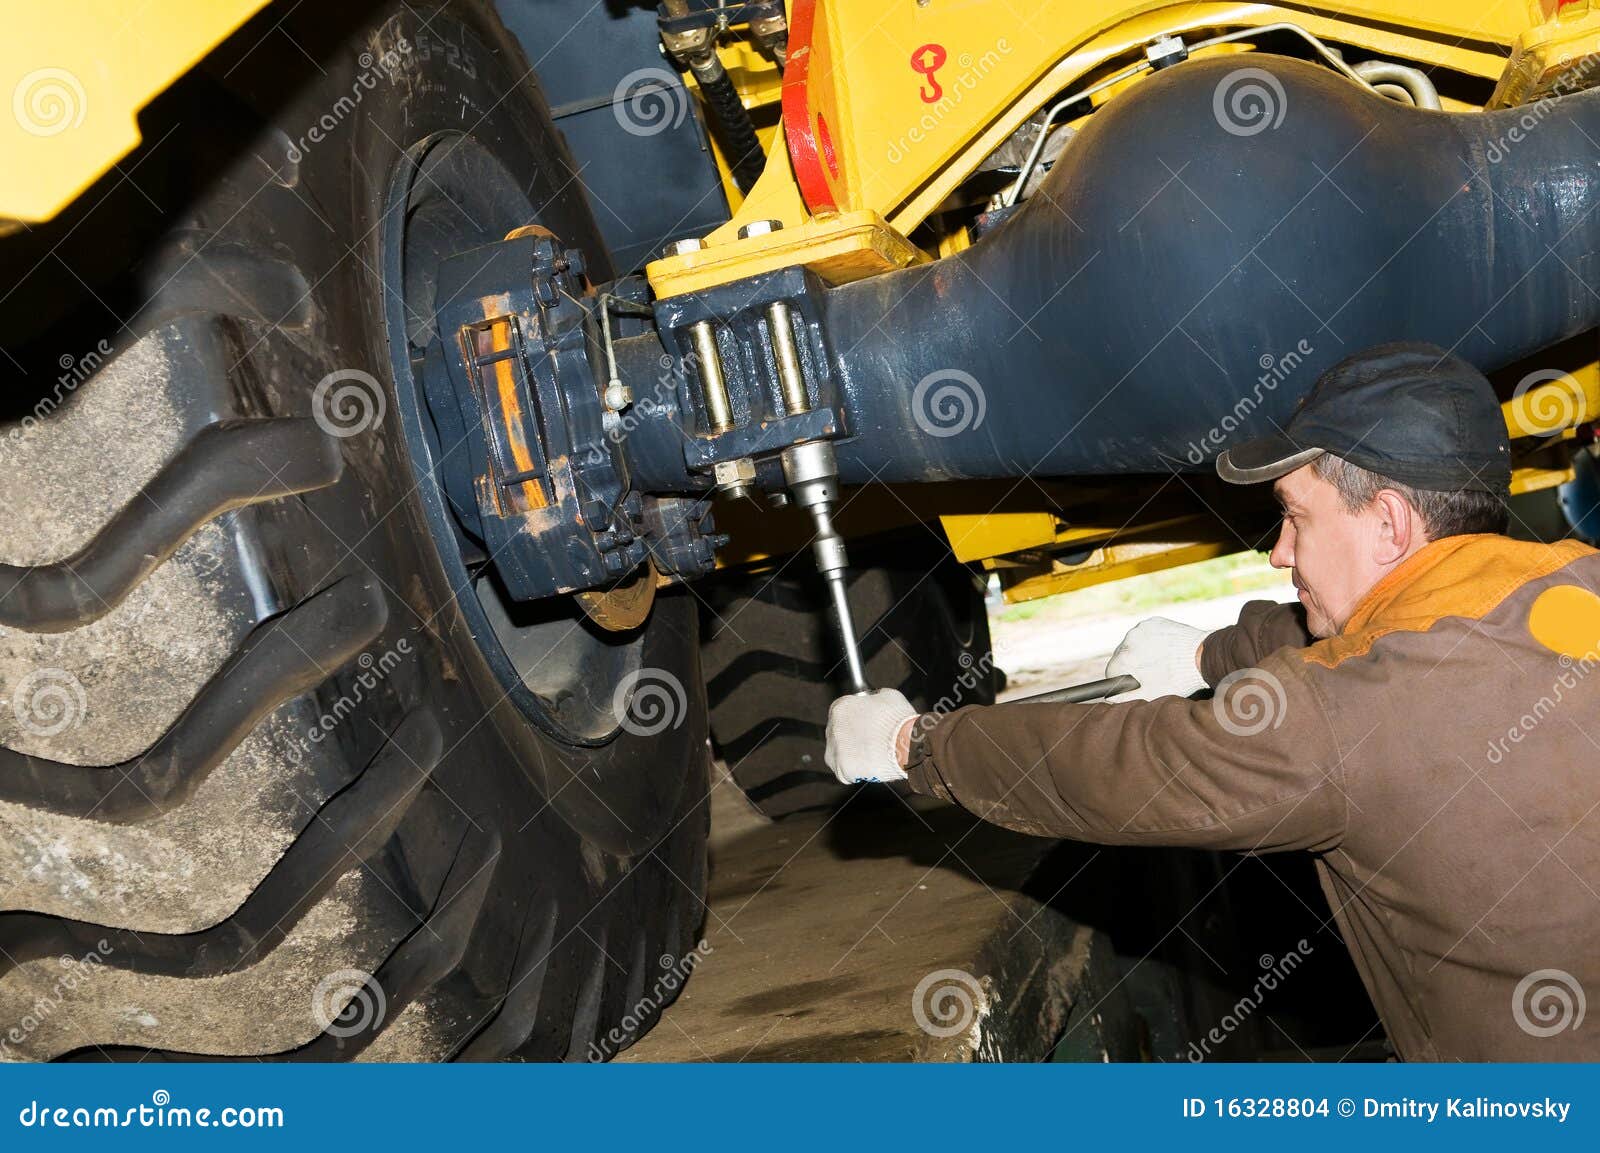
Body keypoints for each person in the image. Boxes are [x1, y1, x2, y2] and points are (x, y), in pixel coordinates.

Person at [825, 341, 1600, 1060]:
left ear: (1389, 524)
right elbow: (1381, 647)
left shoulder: (1342, 722)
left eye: (1295, 515)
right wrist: (1204, 652)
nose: (1280, 551)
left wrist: (914, 745)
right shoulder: (1577, 579)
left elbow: (1128, 764)